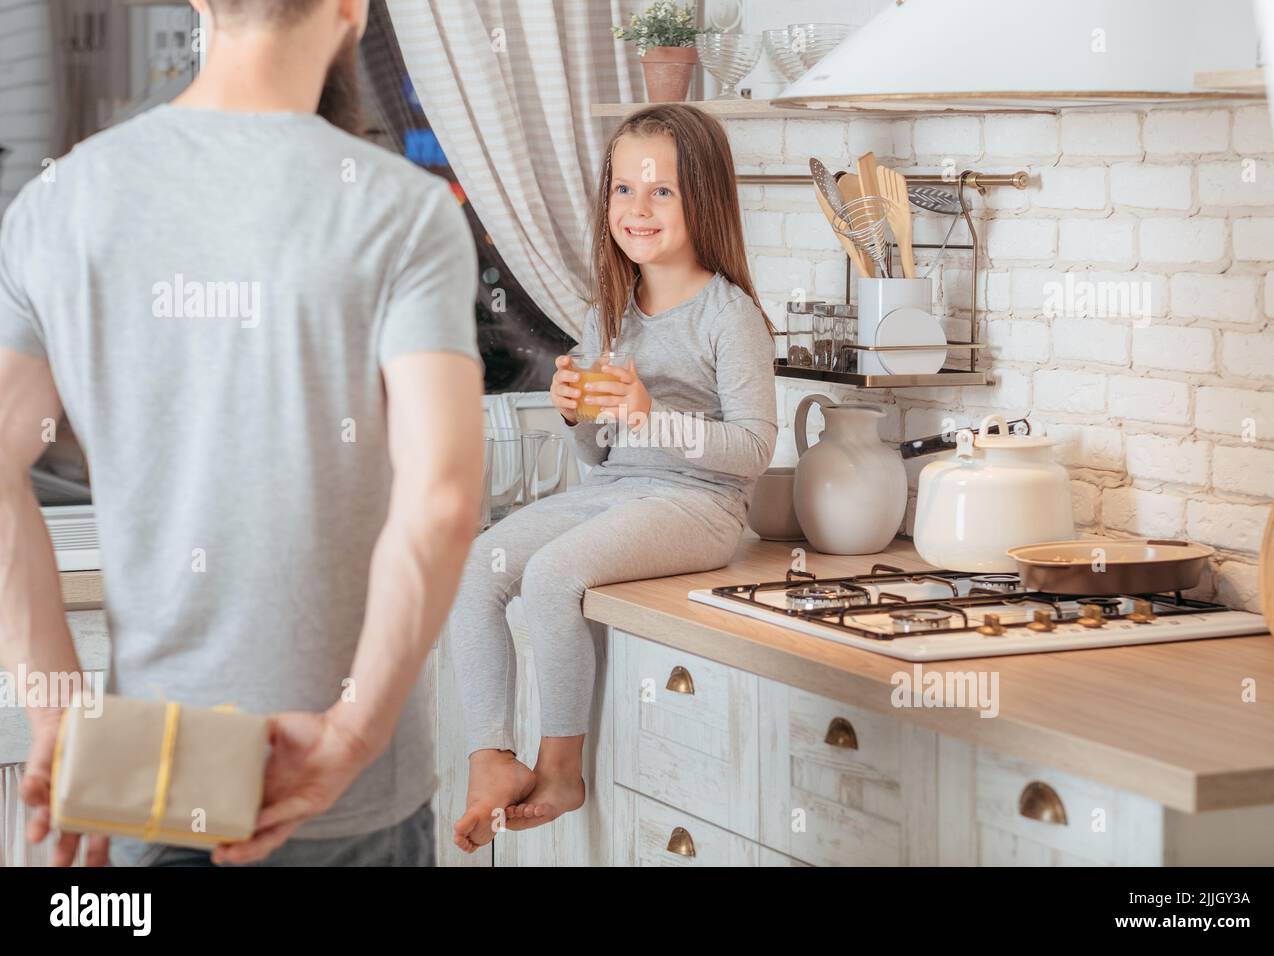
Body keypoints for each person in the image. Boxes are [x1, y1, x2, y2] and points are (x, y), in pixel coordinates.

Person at [0, 0, 483, 867]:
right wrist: (350, 736)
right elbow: (442, 500)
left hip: (149, 777)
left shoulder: (60, 201)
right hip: (351, 810)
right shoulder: (402, 212)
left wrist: (58, 710)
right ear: (351, 8)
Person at [449, 104, 778, 852]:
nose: (638, 208)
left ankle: (561, 768)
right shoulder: (610, 314)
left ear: (706, 198)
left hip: (699, 506)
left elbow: (754, 449)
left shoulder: (730, 318)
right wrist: (578, 416)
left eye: (661, 191)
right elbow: (600, 460)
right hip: (614, 494)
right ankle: (491, 756)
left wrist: (649, 412)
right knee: (475, 567)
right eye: (624, 190)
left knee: (555, 574)